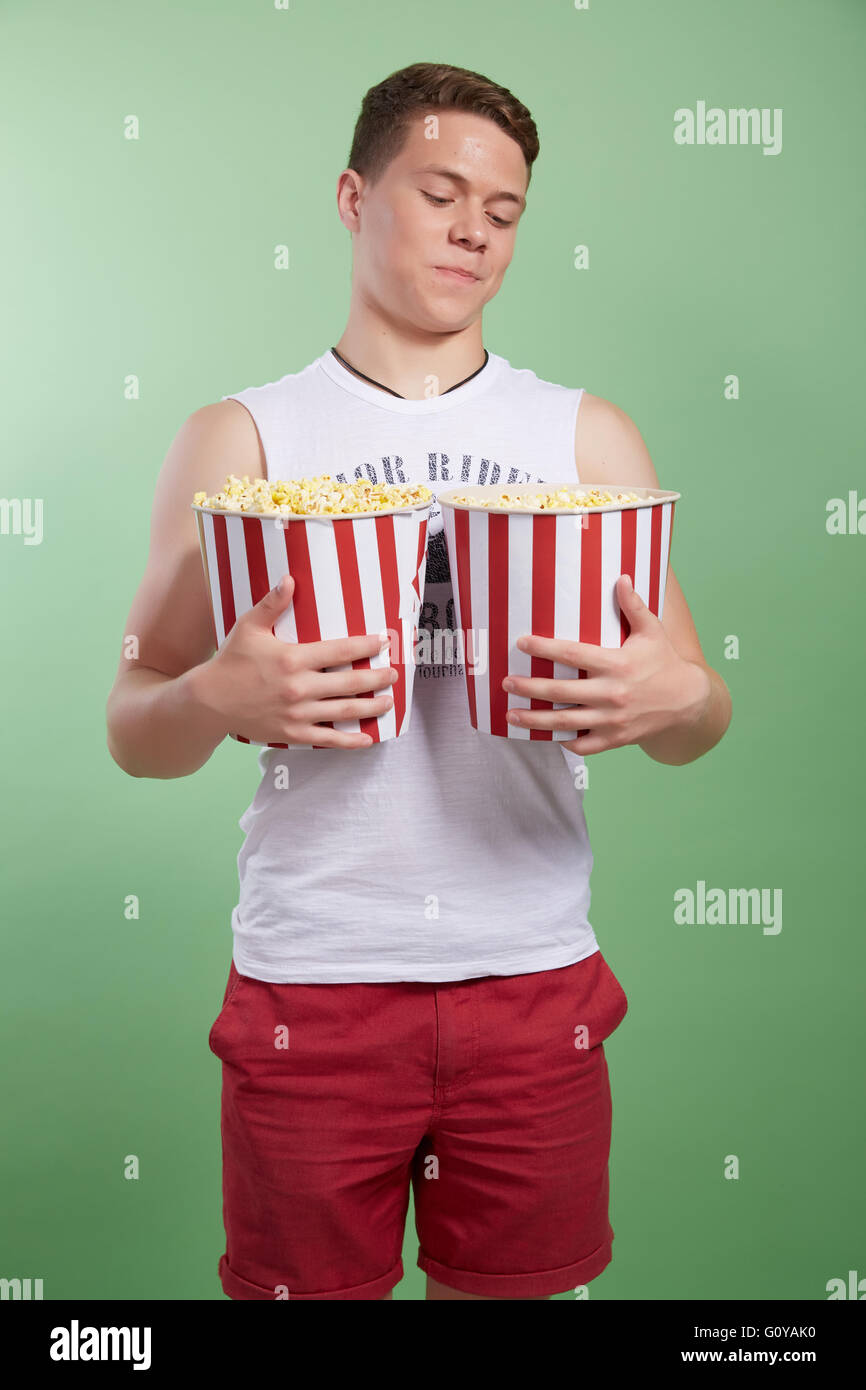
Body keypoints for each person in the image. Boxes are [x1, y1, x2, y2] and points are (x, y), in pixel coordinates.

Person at [105, 61, 732, 1301]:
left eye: (501, 213)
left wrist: (679, 705)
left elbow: (696, 706)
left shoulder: (584, 438)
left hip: (529, 975)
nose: (470, 232)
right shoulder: (240, 437)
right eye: (438, 192)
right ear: (353, 196)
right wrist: (214, 700)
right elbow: (137, 720)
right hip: (313, 985)